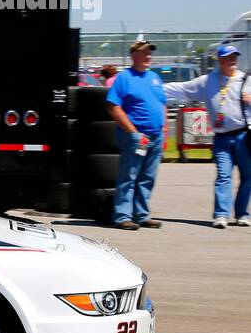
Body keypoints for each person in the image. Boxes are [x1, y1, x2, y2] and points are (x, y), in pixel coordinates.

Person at [163, 44, 251, 228]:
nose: (232, 59)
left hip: (243, 136)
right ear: (220, 60)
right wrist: (154, 88)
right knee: (223, 176)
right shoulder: (208, 81)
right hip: (221, 138)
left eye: (235, 56)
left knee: (248, 176)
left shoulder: (246, 80)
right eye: (228, 57)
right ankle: (221, 215)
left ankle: (242, 213)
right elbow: (182, 89)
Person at [105, 40, 166, 230]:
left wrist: (163, 128)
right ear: (134, 55)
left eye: (150, 52)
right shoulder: (124, 78)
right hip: (137, 136)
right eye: (144, 52)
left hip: (155, 136)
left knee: (148, 177)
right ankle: (122, 216)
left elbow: (162, 103)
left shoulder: (155, 78)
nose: (148, 56)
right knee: (129, 176)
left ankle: (142, 214)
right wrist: (133, 132)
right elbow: (113, 106)